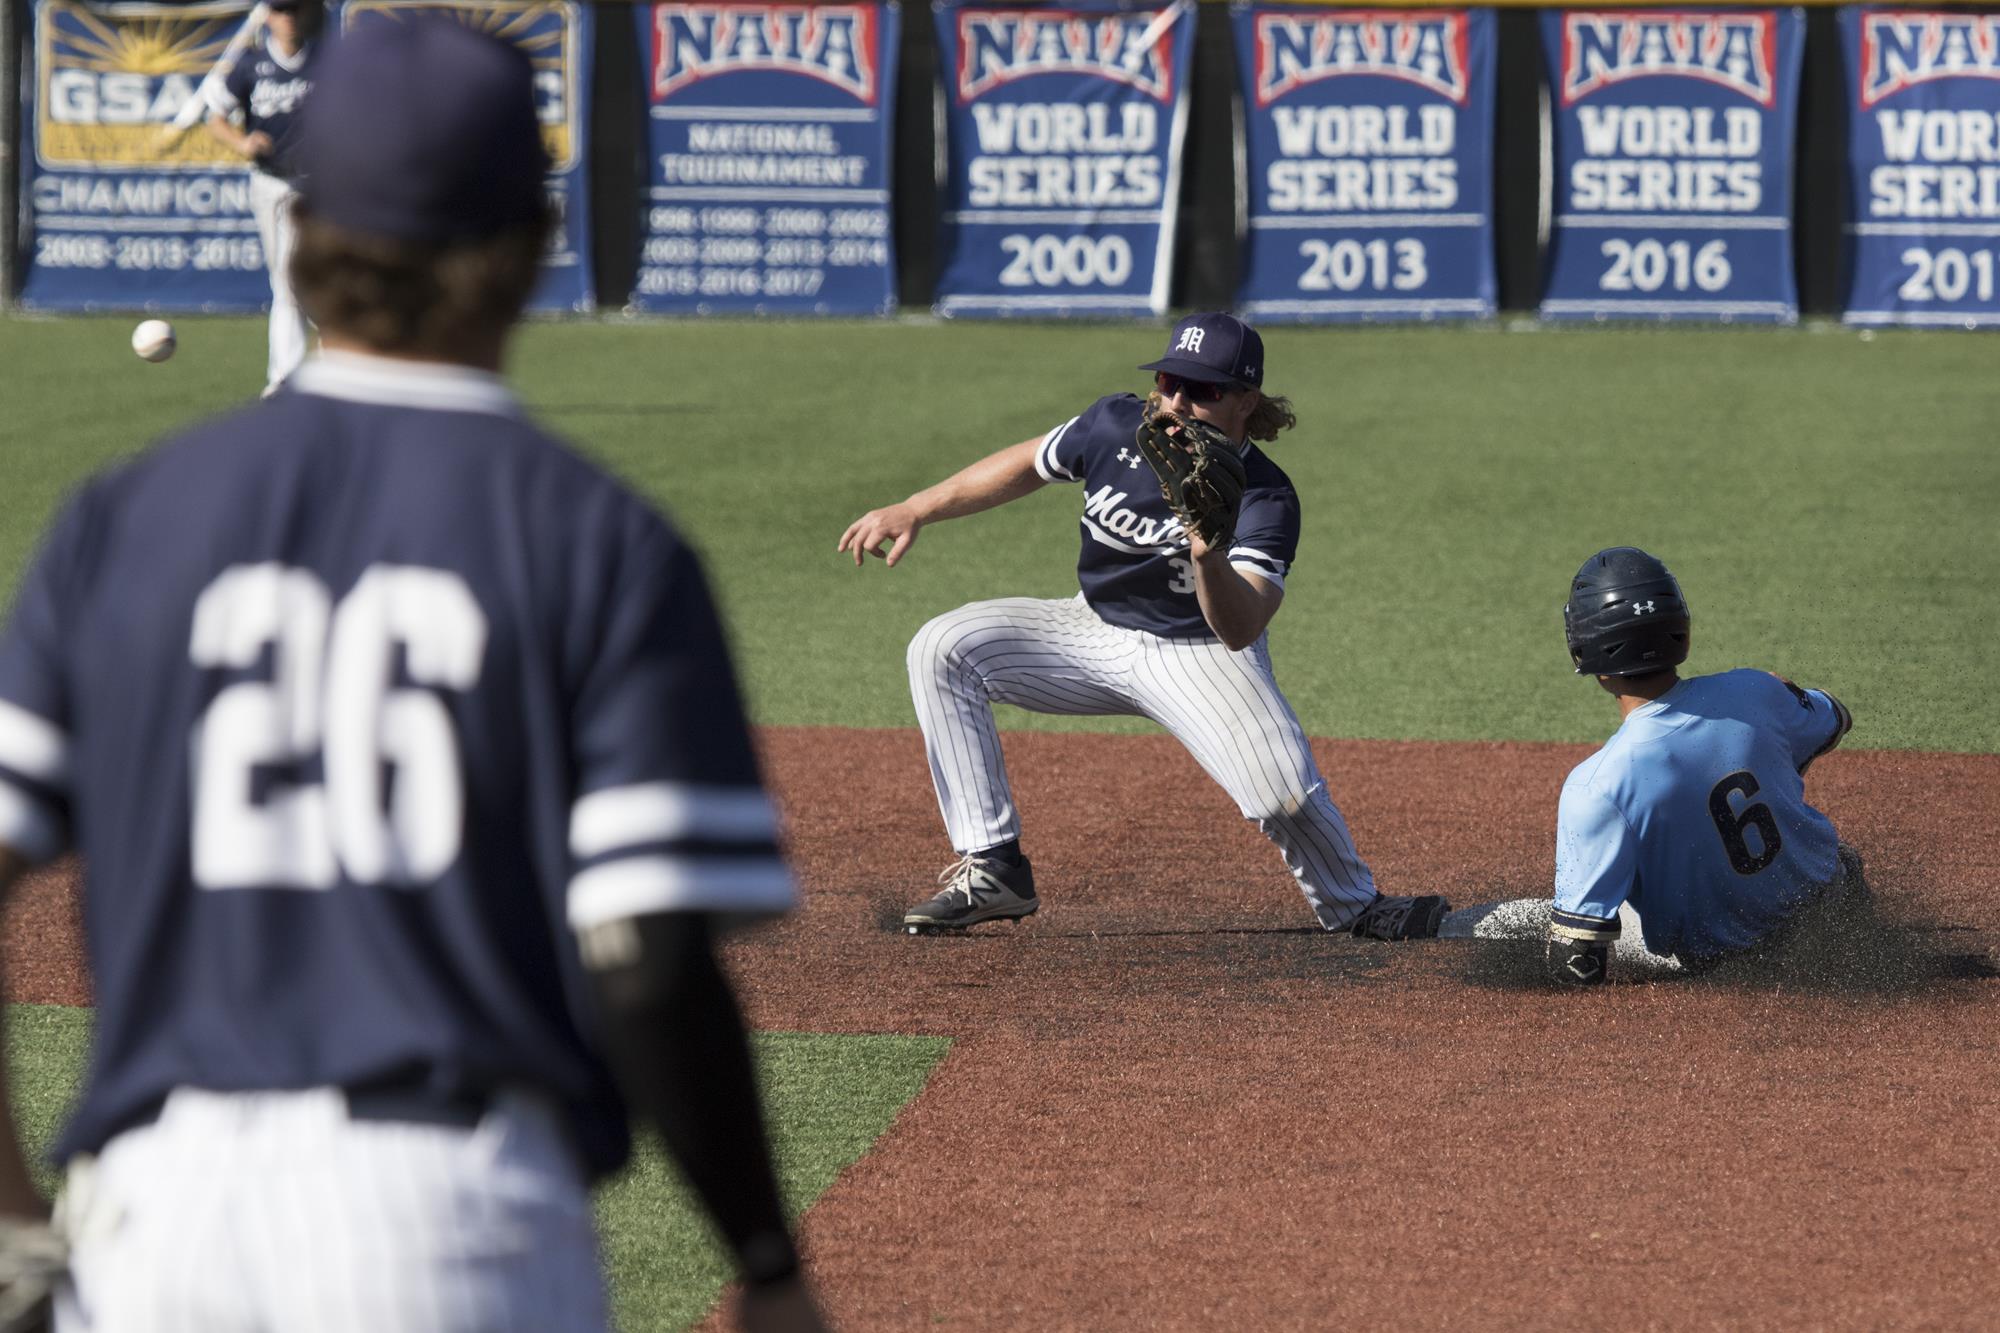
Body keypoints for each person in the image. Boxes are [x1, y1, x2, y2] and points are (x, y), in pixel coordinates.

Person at [0, 19, 822, 1332]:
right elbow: (649, 962)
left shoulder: (120, 516)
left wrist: (13, 1227)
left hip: (151, 1225)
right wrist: (767, 1261)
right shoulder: (598, 538)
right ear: (532, 240)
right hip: (450, 1219)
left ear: (308, 224)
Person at [839, 312, 1448, 940]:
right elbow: (1029, 462)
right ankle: (995, 870)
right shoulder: (1116, 425)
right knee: (943, 647)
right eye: (1168, 382)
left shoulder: (1266, 498)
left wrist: (1208, 553)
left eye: (1203, 391)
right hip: (1088, 630)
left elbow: (1242, 628)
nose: (1178, 403)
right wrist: (916, 508)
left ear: (1246, 401)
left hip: (1201, 655)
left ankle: (1356, 904)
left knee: (1282, 798)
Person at [1446, 547, 1861, 986]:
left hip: (1734, 969)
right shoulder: (1754, 691)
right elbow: (1835, 716)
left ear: (1584, 648)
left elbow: (1577, 962)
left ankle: (1428, 925)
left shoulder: (1598, 785)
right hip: (1837, 914)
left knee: (1542, 917)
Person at [204, 0, 324, 397]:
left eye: (294, 9)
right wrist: (243, 141)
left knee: (308, 279)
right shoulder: (251, 64)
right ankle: (294, 375)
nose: (288, 17)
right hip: (271, 183)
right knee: (286, 281)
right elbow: (215, 116)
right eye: (280, 9)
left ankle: (309, 379)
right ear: (268, 16)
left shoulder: (324, 58)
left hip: (319, 186)